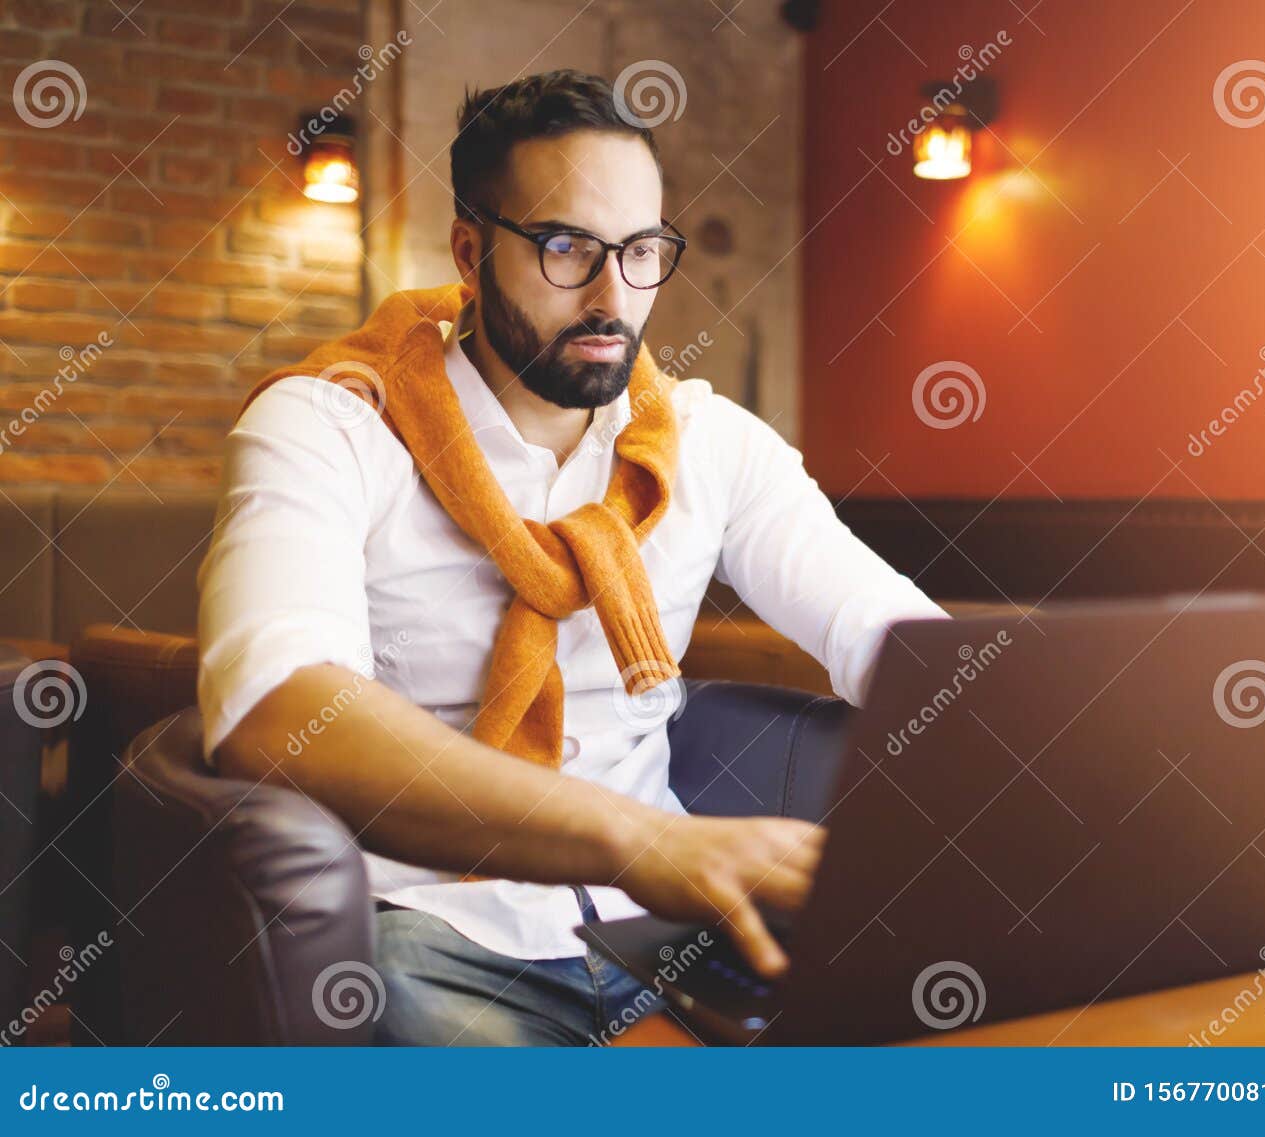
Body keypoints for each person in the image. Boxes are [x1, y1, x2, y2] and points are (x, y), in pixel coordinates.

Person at [198, 69, 946, 1046]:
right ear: (471, 253)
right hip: (434, 931)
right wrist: (641, 842)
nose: (612, 296)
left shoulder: (706, 444)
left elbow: (896, 641)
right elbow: (278, 708)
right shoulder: (330, 426)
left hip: (671, 941)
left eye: (640, 252)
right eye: (565, 248)